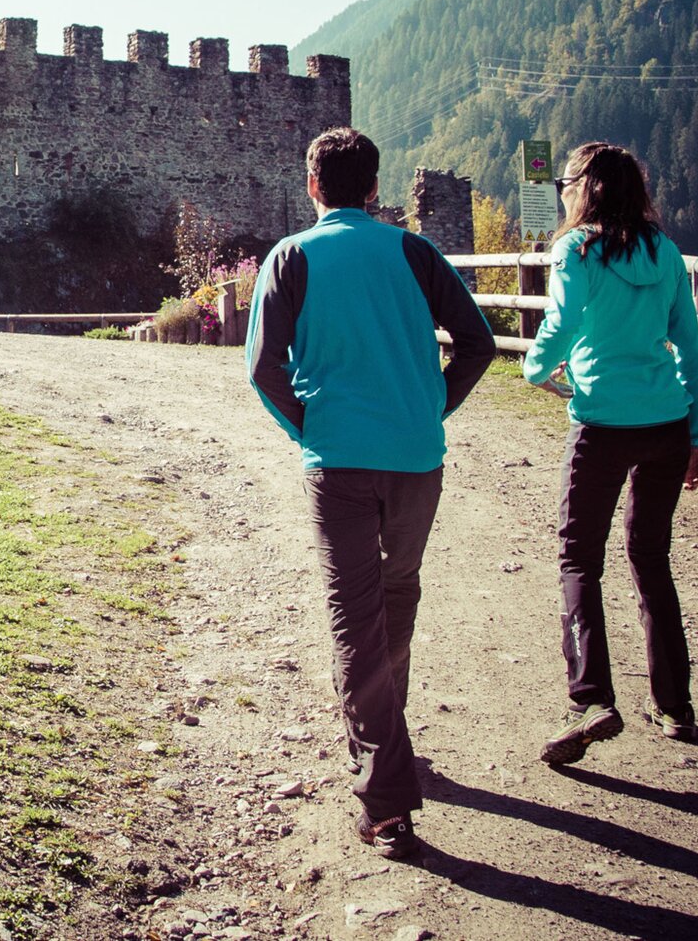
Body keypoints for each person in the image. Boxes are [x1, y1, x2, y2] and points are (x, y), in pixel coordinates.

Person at [247, 127, 495, 862]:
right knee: (397, 595)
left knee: (356, 619)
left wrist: (312, 427)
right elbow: (478, 343)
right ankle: (388, 742)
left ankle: (385, 802)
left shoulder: (291, 256)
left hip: (340, 463)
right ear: (375, 187)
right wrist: (431, 408)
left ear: (312, 186)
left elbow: (263, 367)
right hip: (417, 460)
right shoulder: (414, 252)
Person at [521, 142, 698, 766]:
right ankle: (675, 706)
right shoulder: (665, 251)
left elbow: (560, 326)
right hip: (666, 422)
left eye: (565, 183)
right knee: (651, 558)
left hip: (602, 423)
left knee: (579, 559)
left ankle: (592, 699)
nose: (561, 193)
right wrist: (697, 435)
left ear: (584, 188)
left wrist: (534, 370)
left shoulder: (576, 251)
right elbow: (692, 350)